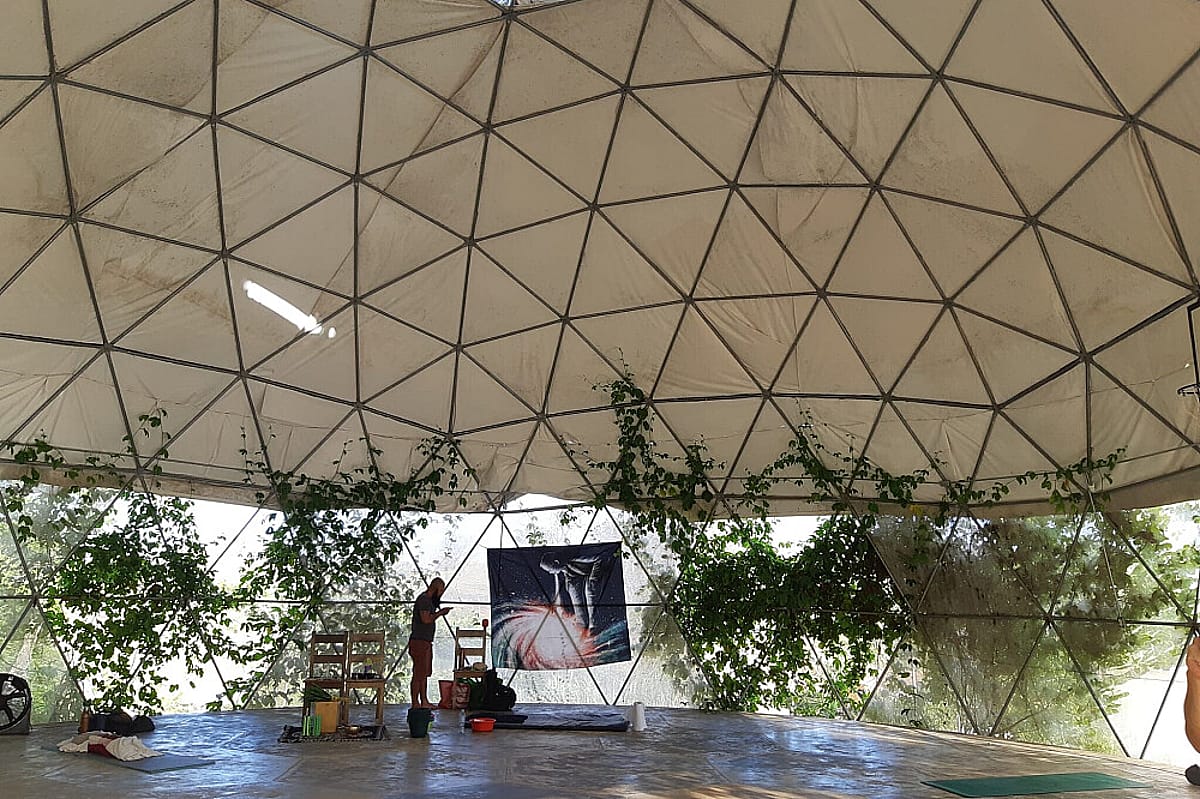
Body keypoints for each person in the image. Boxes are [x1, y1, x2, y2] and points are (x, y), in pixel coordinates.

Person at [408, 577, 451, 708]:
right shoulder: (424, 600)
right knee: (418, 674)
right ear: (435, 588)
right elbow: (426, 619)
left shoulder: (428, 601)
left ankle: (424, 701)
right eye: (441, 591)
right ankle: (416, 702)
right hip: (419, 641)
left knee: (423, 673)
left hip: (425, 641)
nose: (441, 594)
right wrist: (440, 613)